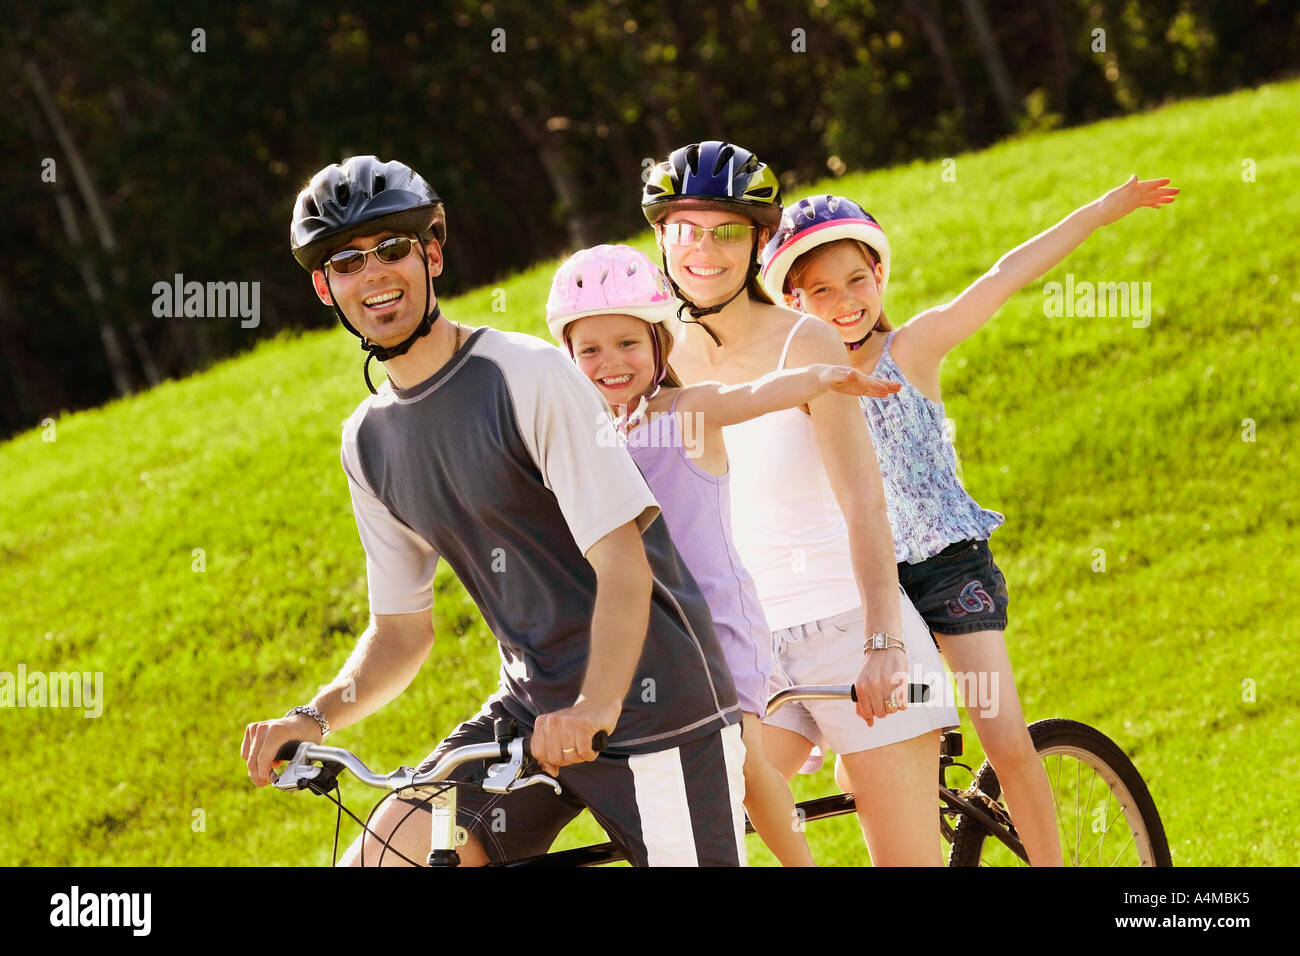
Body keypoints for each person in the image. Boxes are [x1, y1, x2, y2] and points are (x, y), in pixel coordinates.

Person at [241, 156, 748, 867]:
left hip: (654, 703)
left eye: (392, 249)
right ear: (326, 287)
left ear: (432, 254)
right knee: (391, 858)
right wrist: (314, 715)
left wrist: (597, 708)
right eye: (348, 262)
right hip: (527, 720)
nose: (375, 274)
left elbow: (625, 568)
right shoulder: (369, 440)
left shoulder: (525, 373)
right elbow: (400, 632)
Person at [758, 178, 1177, 865]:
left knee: (1005, 737)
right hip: (870, 591)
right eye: (821, 293)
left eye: (856, 279)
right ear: (792, 306)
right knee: (858, 766)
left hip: (949, 571)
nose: (845, 302)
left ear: (880, 276)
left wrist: (1101, 211)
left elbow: (1004, 275)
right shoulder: (800, 391)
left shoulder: (913, 351)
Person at [643, 141, 961, 865]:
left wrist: (884, 643)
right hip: (754, 652)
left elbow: (864, 505)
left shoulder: (806, 340)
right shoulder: (660, 359)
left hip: (855, 634)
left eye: (726, 230)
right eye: (685, 229)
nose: (704, 250)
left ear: (759, 239)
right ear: (661, 238)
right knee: (697, 829)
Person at [545, 243, 901, 865]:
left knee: (743, 764)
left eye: (628, 344)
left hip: (719, 624)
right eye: (590, 350)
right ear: (569, 360)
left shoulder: (684, 411)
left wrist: (819, 376)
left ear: (659, 347)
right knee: (702, 784)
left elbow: (756, 394)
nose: (610, 363)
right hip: (652, 639)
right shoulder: (585, 442)